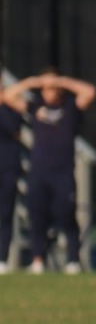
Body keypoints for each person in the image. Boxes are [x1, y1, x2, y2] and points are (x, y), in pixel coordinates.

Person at [3, 70, 96, 273]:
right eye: (46, 88)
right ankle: (38, 260)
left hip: (62, 171)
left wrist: (62, 81)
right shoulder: (36, 106)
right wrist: (32, 81)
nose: (49, 91)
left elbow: (89, 92)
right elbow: (8, 97)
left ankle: (73, 260)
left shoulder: (70, 107)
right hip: (39, 171)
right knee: (37, 215)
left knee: (65, 213)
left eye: (53, 87)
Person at [0, 86, 23, 272]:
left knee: (5, 213)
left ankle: (2, 259)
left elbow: (15, 130)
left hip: (7, 167)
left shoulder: (11, 106)